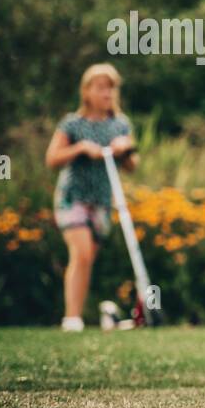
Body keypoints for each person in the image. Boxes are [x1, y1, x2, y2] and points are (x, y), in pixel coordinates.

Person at [44, 63, 138, 331]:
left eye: (111, 88)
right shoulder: (72, 124)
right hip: (72, 197)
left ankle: (79, 313)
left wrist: (125, 148)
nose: (107, 93)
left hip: (102, 199)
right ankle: (72, 318)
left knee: (87, 259)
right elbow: (52, 159)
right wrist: (81, 148)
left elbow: (132, 165)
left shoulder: (120, 125)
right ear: (87, 91)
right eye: (100, 87)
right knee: (81, 253)